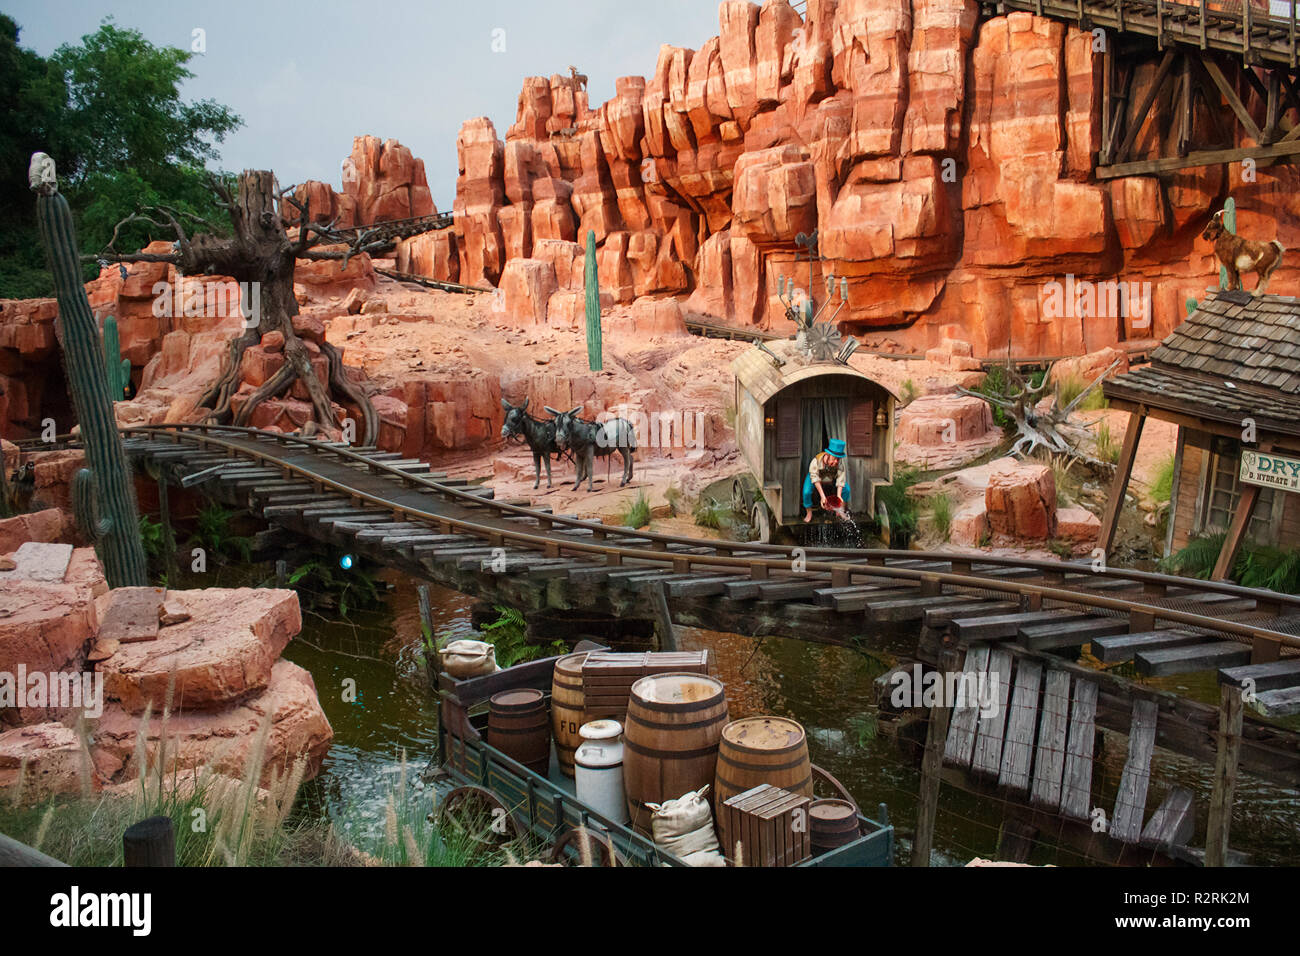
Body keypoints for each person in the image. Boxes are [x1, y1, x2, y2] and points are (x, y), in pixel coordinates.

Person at [803, 438, 850, 522]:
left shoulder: (840, 464)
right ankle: (809, 512)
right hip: (815, 477)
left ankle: (841, 510)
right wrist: (823, 497)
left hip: (832, 477)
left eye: (838, 459)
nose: (836, 461)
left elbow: (841, 480)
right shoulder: (816, 461)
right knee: (806, 492)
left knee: (846, 489)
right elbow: (815, 479)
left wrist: (839, 497)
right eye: (834, 458)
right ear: (828, 454)